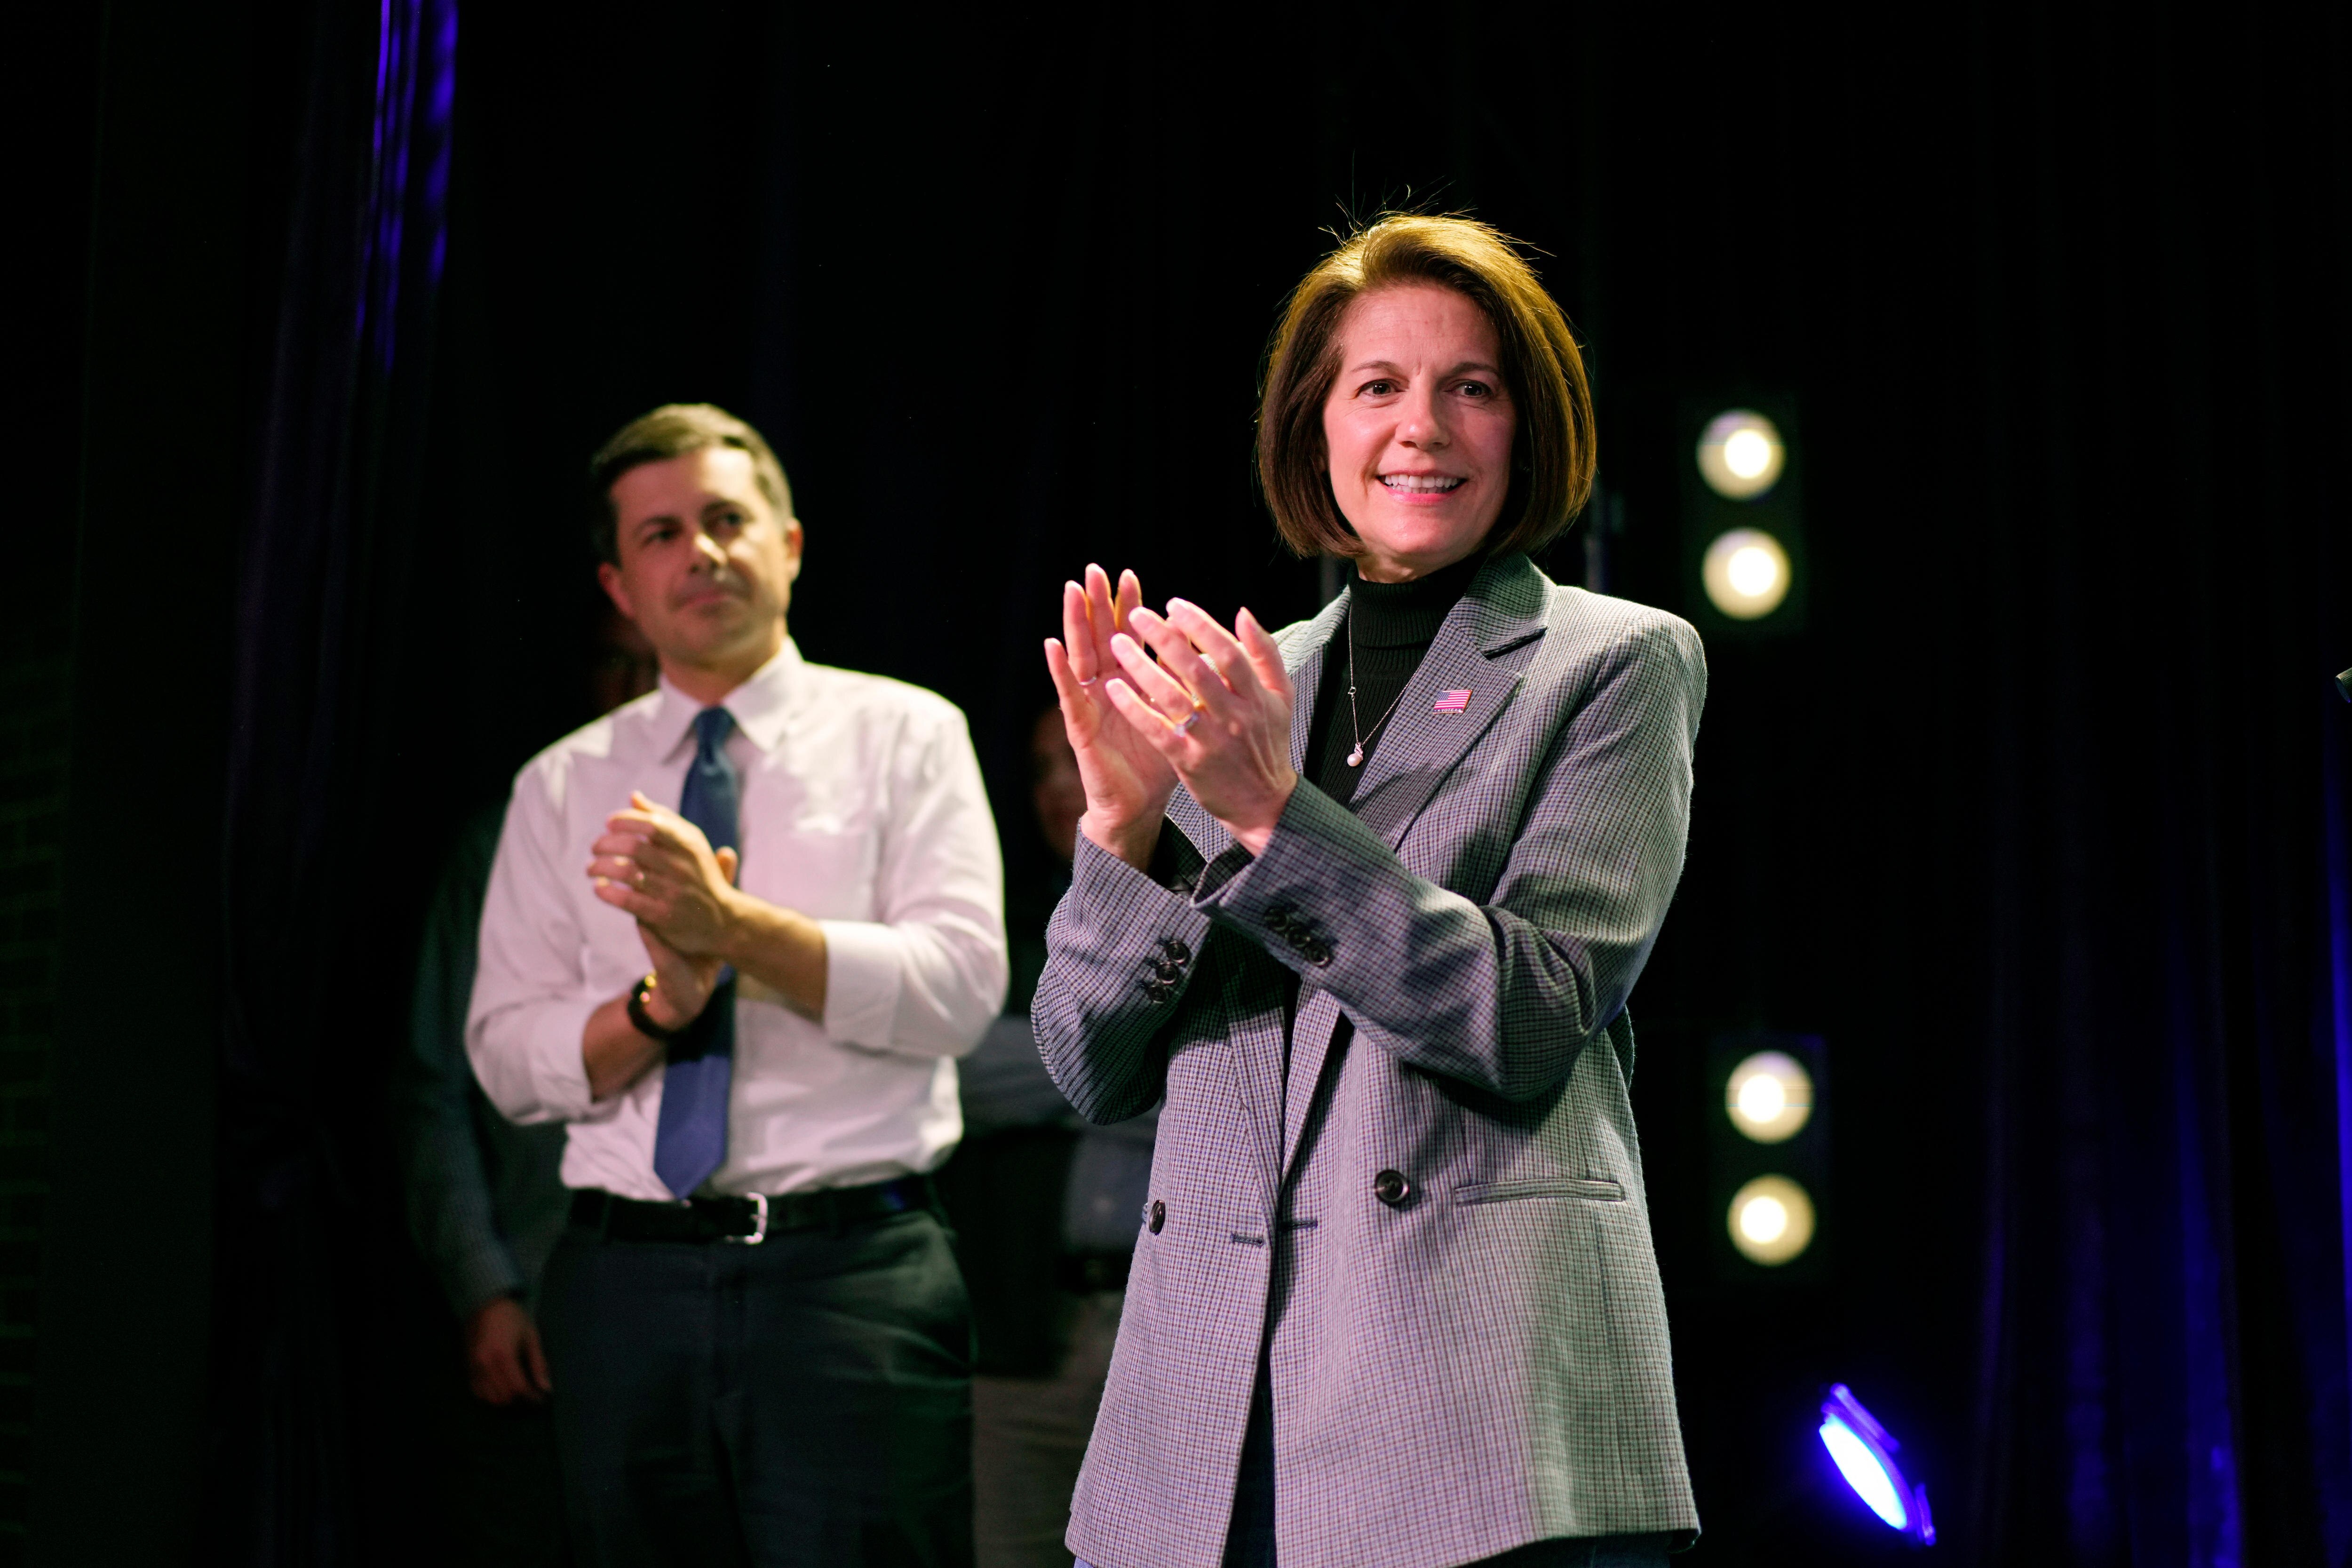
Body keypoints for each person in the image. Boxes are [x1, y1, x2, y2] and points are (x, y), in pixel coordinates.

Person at [1034, 215, 1707, 1568]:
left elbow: (1527, 1016)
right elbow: (1085, 1069)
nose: (1425, 427)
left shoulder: (1616, 660)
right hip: (1208, 1422)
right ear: (1315, 428)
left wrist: (1273, 816)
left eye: (1473, 385)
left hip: (1471, 1414)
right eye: (1378, 385)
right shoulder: (1245, 679)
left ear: (1527, 425)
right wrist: (1119, 833)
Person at [468, 403, 1007, 1566]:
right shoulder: (559, 786)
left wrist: (735, 931)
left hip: (853, 1280)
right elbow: (509, 1062)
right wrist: (664, 1001)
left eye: (725, 519)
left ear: (791, 544)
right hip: (621, 1286)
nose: (699, 550)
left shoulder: (907, 733)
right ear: (620, 586)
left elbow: (961, 990)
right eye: (661, 533)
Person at [395, 600, 660, 1566]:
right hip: (542, 1294)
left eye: (656, 669)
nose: (636, 694)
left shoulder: (756, 836)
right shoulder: (506, 840)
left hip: (701, 1310)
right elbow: (434, 1087)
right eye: (616, 667)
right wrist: (485, 1287)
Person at [938, 708, 1157, 1568]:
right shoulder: (999, 920)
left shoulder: (1210, 902)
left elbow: (1232, 1082)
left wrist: (1064, 1058)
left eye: (1075, 758)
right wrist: (1127, 1059)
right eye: (1041, 768)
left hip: (1167, 1327)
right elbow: (954, 1075)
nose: (1060, 785)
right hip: (1024, 1328)